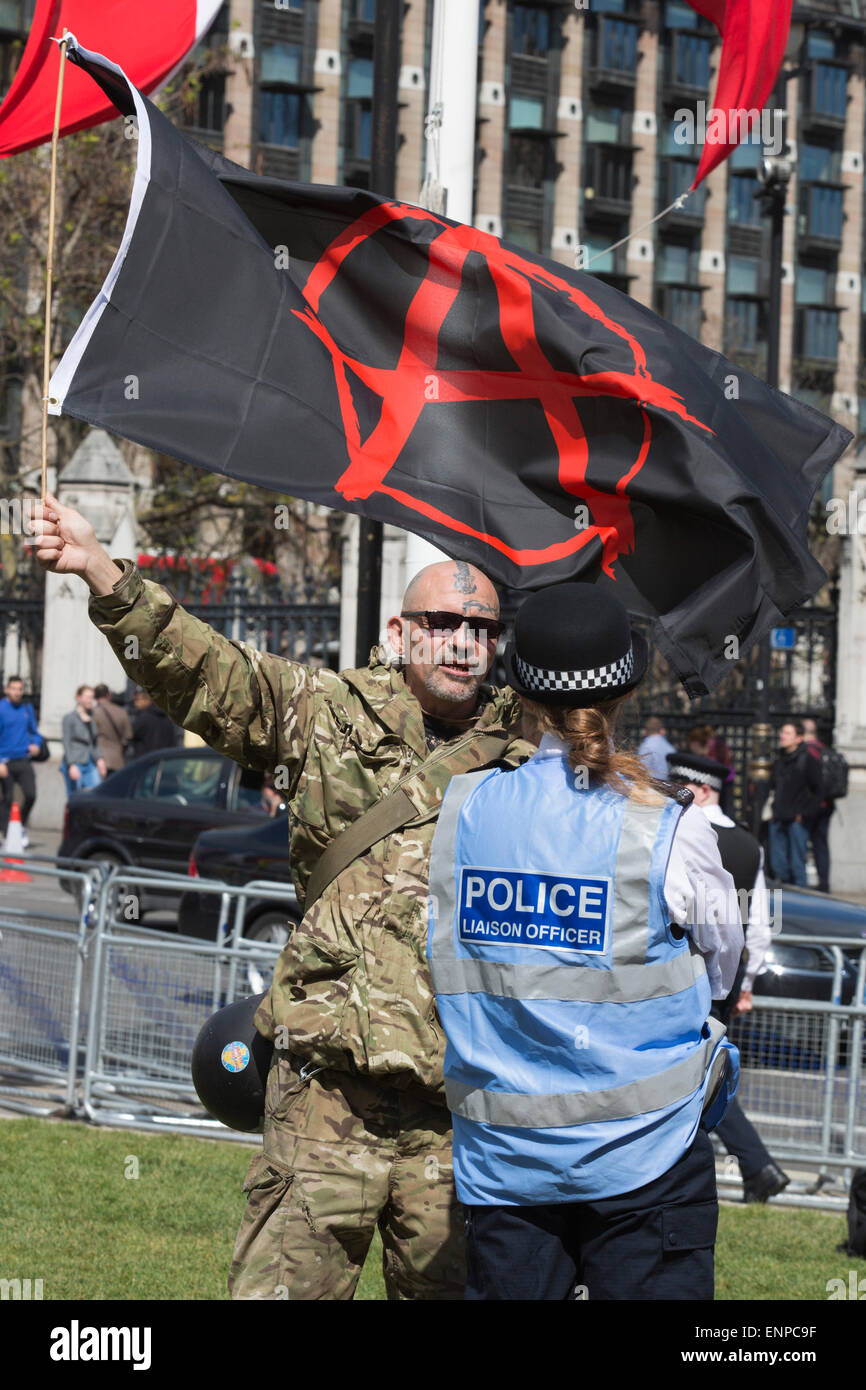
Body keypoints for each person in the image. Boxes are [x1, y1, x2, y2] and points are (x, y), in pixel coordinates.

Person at [30, 488, 532, 1301]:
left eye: (482, 629)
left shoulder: (528, 756)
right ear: (402, 633)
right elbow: (206, 669)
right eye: (445, 623)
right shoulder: (326, 714)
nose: (464, 643)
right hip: (324, 1096)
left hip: (458, 1114)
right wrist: (97, 566)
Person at [427, 583, 743, 1301]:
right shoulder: (669, 825)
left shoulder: (463, 811)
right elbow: (723, 967)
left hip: (504, 1164)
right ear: (628, 688)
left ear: (522, 691)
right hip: (645, 1159)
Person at [665, 749, 790, 1204]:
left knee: (692, 1079)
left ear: (700, 790)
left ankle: (753, 1165)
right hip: (726, 977)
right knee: (705, 1075)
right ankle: (755, 1169)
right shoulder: (748, 843)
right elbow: (758, 925)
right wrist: (747, 983)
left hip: (680, 972)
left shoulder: (673, 828)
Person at [768, 721, 822, 887]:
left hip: (797, 819)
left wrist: (804, 813)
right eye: (782, 732)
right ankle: (785, 900)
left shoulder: (807, 759)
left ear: (798, 738)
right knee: (778, 865)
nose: (782, 736)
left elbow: (819, 789)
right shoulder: (779, 758)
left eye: (787, 733)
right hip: (778, 817)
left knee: (797, 864)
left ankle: (802, 904)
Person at [0, 674, 44, 846]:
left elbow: (35, 732)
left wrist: (36, 744)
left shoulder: (27, 709)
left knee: (31, 795)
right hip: (6, 761)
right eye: (14, 689)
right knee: (8, 799)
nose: (17, 692)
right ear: (7, 690)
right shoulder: (2, 708)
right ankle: (7, 833)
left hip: (24, 760)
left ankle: (18, 826)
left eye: (20, 689)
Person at [801, 718, 833, 893]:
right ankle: (824, 883)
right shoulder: (823, 748)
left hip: (812, 804)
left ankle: (803, 884)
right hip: (827, 803)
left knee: (803, 843)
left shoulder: (807, 751)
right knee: (821, 844)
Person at [60, 685, 106, 796]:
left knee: (96, 794)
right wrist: (71, 765)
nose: (90, 700)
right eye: (87, 697)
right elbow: (66, 742)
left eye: (92, 697)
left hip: (90, 762)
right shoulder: (69, 718)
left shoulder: (92, 717)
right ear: (78, 698)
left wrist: (100, 759)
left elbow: (94, 742)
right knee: (75, 797)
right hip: (75, 762)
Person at [93, 683, 134, 774]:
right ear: (108, 695)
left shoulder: (92, 713)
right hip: (118, 759)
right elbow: (128, 736)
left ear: (95, 696)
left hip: (98, 760)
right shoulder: (122, 712)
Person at [128, 688, 179, 759]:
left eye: (137, 700)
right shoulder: (166, 717)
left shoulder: (143, 717)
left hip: (145, 760)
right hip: (164, 759)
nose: (135, 703)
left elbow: (130, 734)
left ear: (147, 700)